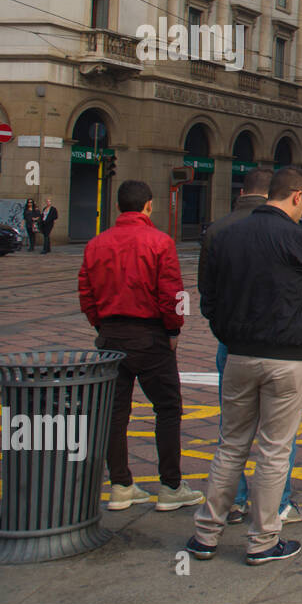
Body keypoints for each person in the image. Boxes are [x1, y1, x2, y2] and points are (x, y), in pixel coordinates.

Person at [189, 167, 302, 566]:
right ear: (298, 196)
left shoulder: (225, 236)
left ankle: (205, 534)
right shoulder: (297, 238)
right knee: (273, 450)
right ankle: (263, 540)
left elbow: (209, 301)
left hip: (237, 353)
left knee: (230, 444)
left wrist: (230, 334)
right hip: (287, 357)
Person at [78, 180, 203, 513]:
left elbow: (86, 292)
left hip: (110, 338)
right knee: (167, 408)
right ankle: (170, 486)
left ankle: (121, 485)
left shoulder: (96, 244)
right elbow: (172, 293)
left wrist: (101, 325)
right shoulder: (160, 242)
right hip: (150, 337)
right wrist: (174, 330)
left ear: (119, 206)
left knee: (115, 413)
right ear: (148, 205)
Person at [197, 169, 302, 526]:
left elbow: (207, 298)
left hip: (233, 345)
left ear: (243, 191)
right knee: (277, 442)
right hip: (282, 348)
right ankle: (278, 508)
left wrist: (225, 331)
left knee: (232, 437)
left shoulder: (218, 230)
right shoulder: (293, 232)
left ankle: (227, 509)